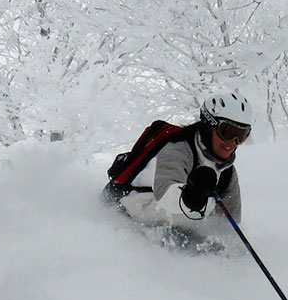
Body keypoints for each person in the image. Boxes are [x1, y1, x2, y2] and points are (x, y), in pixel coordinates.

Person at [104, 90, 253, 244]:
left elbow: (228, 227)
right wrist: (190, 197)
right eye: (227, 132)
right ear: (209, 125)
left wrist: (234, 254)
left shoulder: (226, 173)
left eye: (242, 135)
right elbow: (165, 192)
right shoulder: (178, 147)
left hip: (170, 226)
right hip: (129, 216)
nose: (233, 142)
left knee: (210, 245)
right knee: (193, 237)